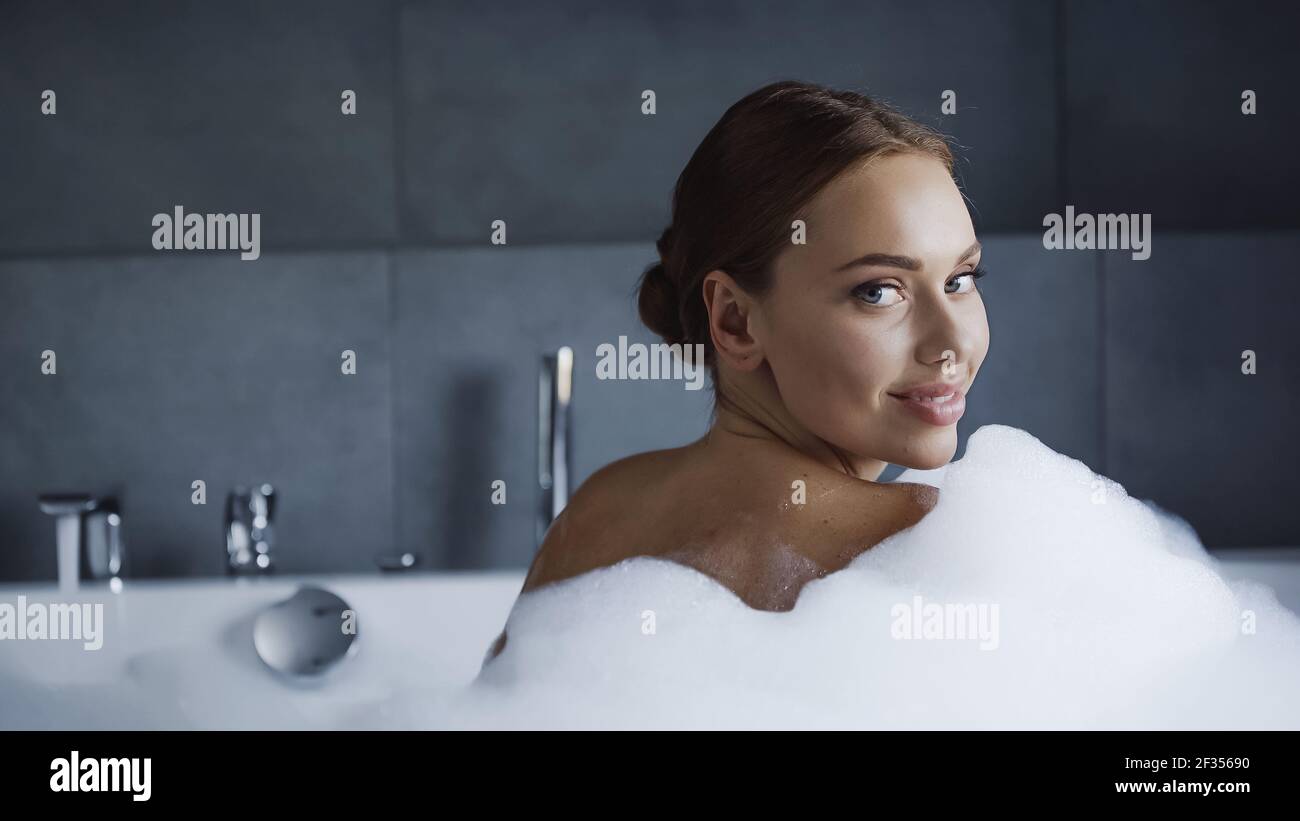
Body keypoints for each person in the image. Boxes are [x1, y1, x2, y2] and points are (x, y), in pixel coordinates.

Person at [485, 80, 988, 664]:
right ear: (736, 322)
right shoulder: (931, 545)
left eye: (961, 280)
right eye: (878, 291)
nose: (951, 341)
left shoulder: (601, 509)